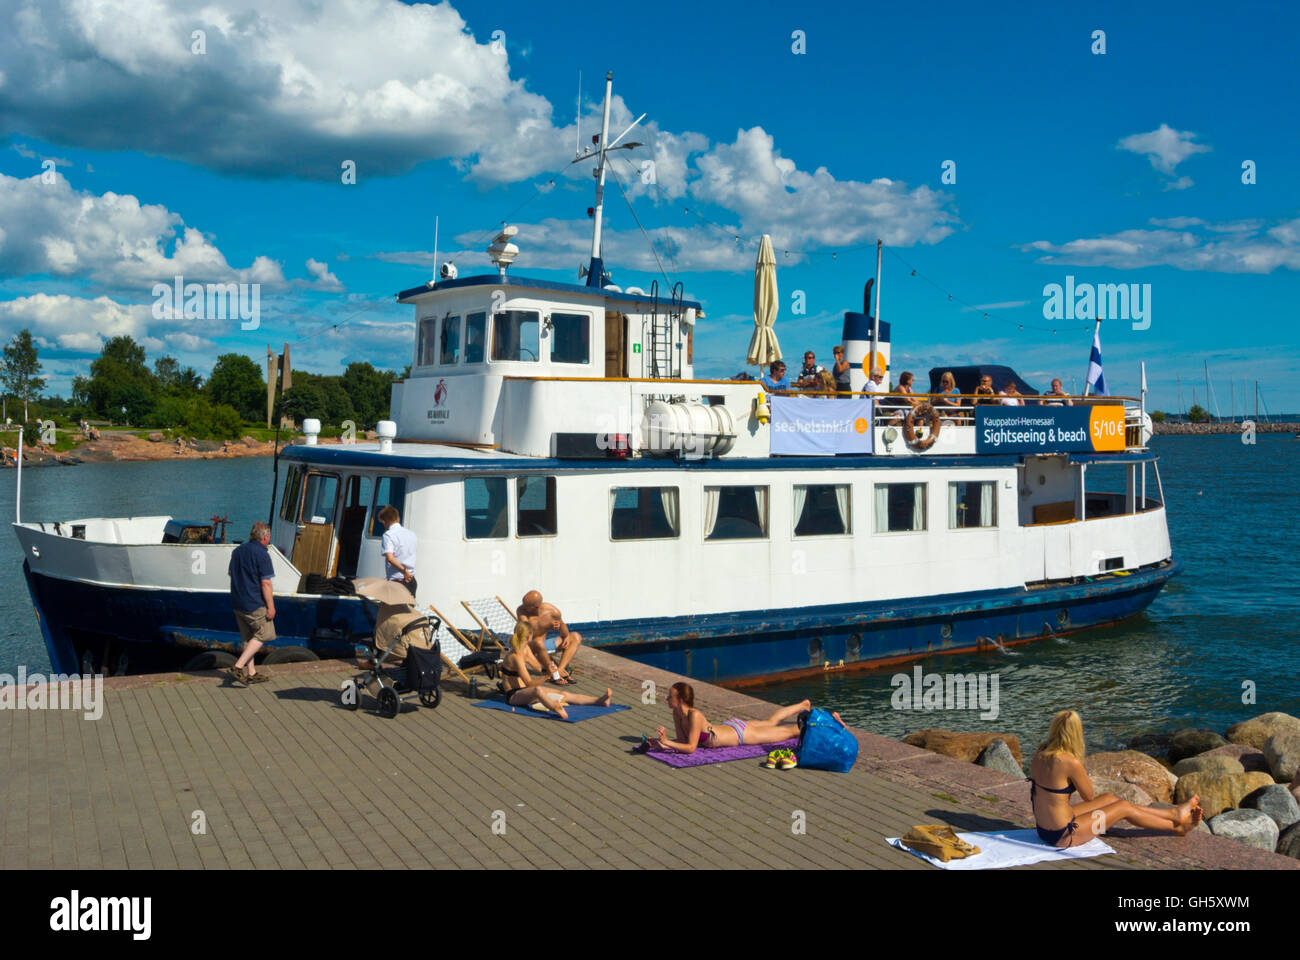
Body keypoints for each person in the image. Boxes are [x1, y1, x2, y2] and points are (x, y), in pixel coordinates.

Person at [1029, 709, 1201, 848]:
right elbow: (1088, 796)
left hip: (1044, 830)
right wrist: (1080, 771)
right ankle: (1177, 827)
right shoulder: (1070, 762)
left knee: (1109, 799)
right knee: (1123, 807)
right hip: (1066, 835)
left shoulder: (1041, 752)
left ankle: (1174, 813)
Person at [652, 683, 845, 753]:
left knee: (793, 731)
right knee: (770, 723)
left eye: (670, 696)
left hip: (741, 734)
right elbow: (683, 742)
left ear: (680, 700)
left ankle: (831, 722)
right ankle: (803, 705)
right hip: (731, 726)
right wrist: (662, 744)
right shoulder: (677, 713)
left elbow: (691, 748)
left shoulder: (695, 715)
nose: (667, 699)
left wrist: (667, 742)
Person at [498, 623, 612, 720]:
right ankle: (555, 707)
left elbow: (538, 668)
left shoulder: (526, 648)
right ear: (529, 636)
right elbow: (529, 683)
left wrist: (549, 667)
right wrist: (547, 676)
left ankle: (599, 701)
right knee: (538, 690)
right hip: (514, 695)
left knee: (563, 694)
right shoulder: (515, 657)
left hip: (526, 692)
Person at [227, 521, 276, 685]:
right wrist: (271, 607)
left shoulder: (238, 551)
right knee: (265, 634)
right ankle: (237, 667)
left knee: (248, 638)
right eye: (269, 536)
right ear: (265, 536)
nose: (269, 539)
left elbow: (230, 573)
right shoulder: (262, 554)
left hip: (237, 602)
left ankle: (251, 673)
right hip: (254, 603)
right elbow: (266, 583)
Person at [517, 590, 583, 684]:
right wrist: (549, 624)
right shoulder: (521, 611)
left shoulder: (553, 612)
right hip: (528, 645)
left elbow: (563, 626)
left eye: (526, 605)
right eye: (523, 603)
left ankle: (560, 670)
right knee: (538, 641)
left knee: (576, 637)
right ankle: (552, 672)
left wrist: (564, 634)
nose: (523, 606)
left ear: (536, 607)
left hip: (544, 644)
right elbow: (527, 631)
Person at [379, 505, 417, 599]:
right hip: (411, 581)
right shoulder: (411, 534)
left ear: (384, 522)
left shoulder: (388, 535)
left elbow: (390, 558)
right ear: (398, 519)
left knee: (391, 608)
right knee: (408, 608)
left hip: (397, 582)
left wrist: (404, 571)